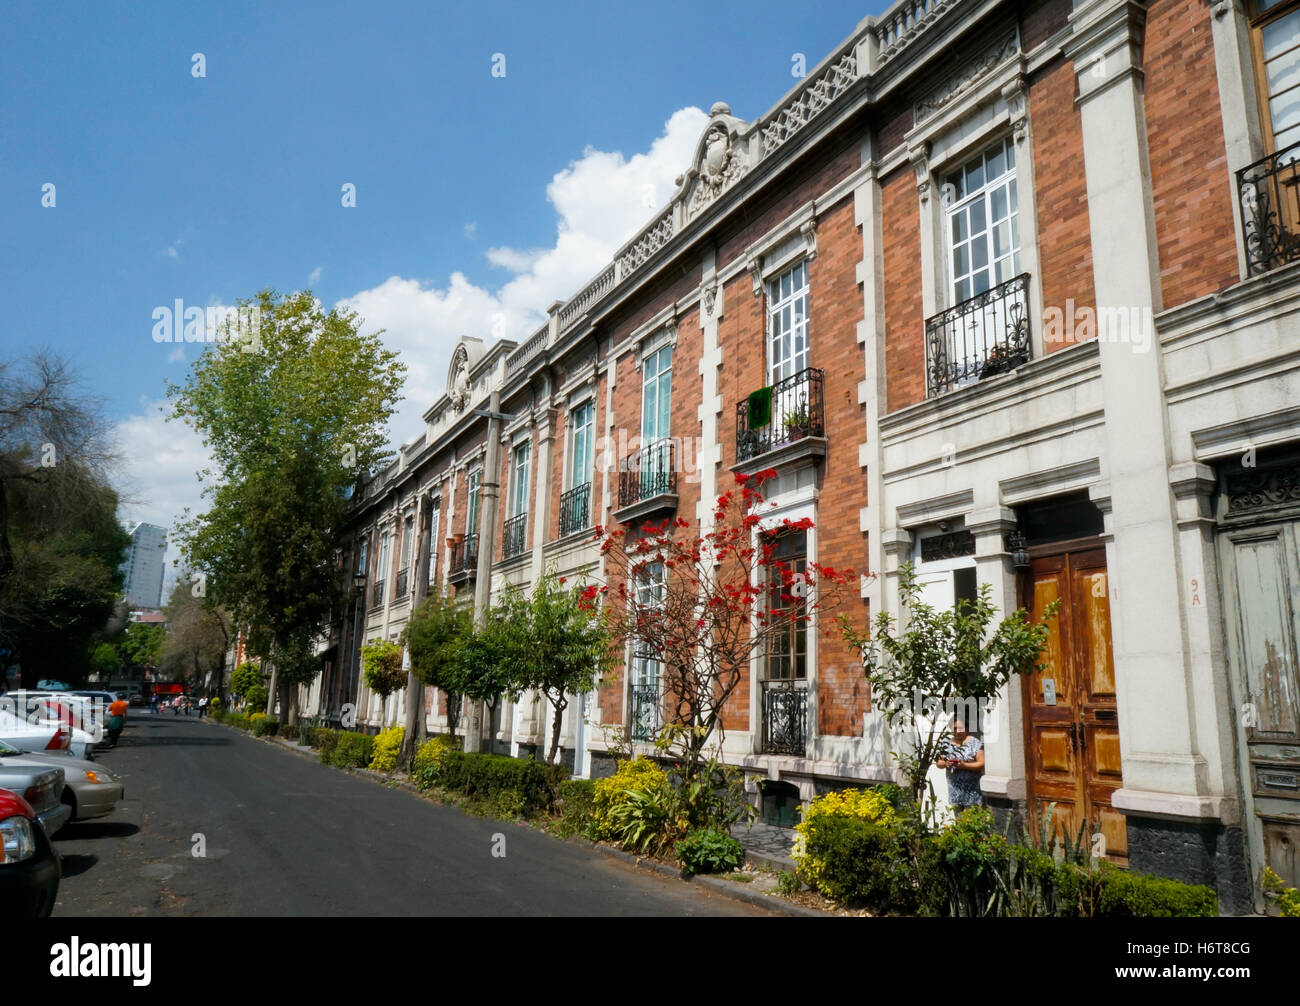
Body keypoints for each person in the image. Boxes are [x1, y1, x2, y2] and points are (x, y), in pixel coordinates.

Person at [937, 717, 985, 809]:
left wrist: (964, 765)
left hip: (972, 793)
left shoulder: (975, 743)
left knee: (972, 820)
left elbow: (982, 763)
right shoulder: (946, 743)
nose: (957, 731)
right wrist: (946, 763)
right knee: (958, 821)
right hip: (954, 792)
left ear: (966, 728)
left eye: (960, 728)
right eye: (955, 728)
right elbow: (939, 763)